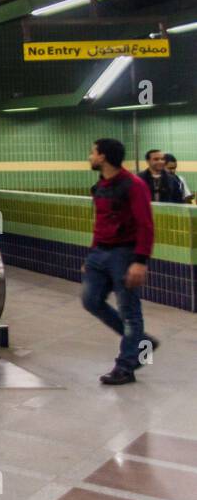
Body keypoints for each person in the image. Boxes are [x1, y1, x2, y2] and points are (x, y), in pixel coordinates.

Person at [83, 138, 158, 385]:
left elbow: (145, 225)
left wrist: (140, 261)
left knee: (129, 312)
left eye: (93, 152)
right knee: (91, 301)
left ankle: (125, 366)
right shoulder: (101, 186)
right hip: (100, 253)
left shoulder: (133, 185)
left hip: (124, 255)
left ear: (103, 156)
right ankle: (141, 342)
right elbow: (101, 222)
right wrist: (92, 254)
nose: (90, 157)